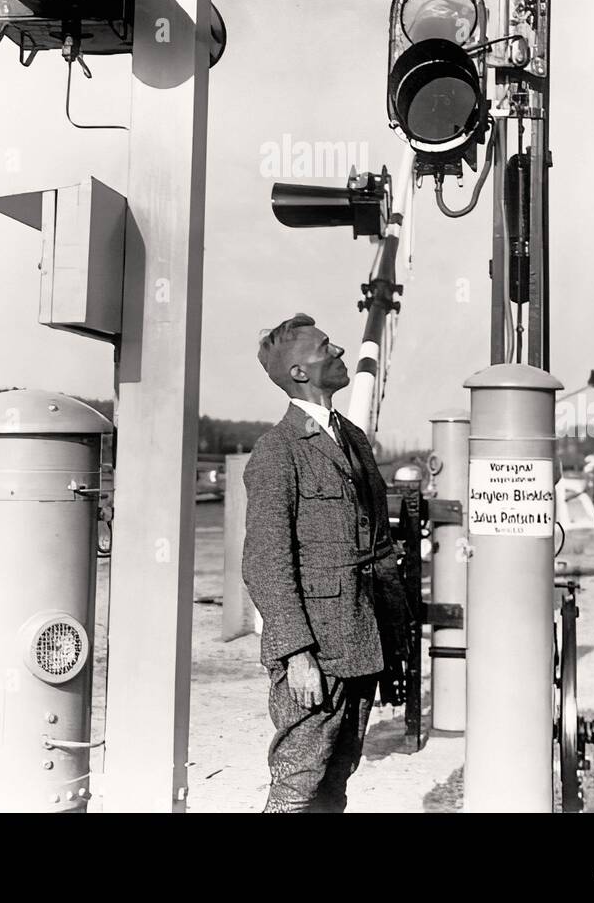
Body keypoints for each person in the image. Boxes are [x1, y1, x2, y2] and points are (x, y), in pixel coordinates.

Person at [243, 312, 412, 813]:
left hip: (363, 638)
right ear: (299, 372)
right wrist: (297, 654)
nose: (340, 353)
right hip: (315, 651)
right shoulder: (277, 452)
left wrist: (396, 633)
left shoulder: (354, 439)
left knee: (338, 775)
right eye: (327, 347)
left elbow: (378, 545)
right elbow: (265, 563)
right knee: (297, 781)